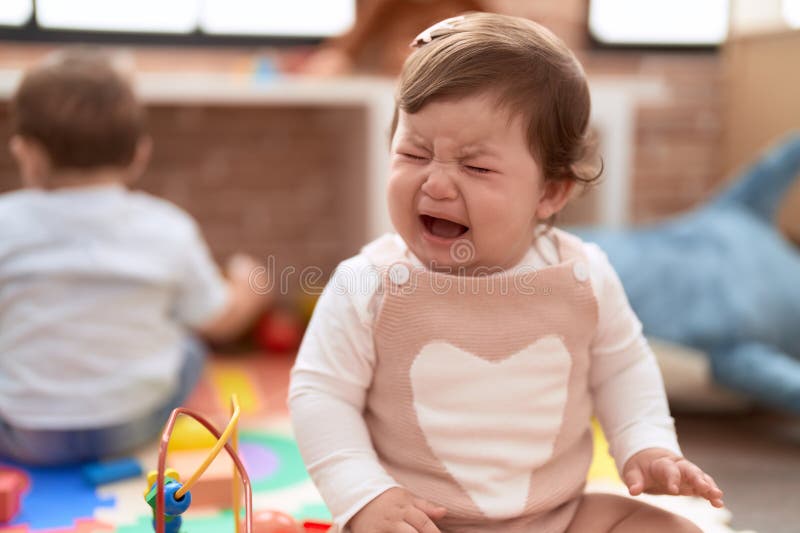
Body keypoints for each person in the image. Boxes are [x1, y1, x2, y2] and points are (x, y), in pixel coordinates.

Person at [288, 13, 723, 533]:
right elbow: (320, 394)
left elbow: (624, 369)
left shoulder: (582, 277)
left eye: (476, 167)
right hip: (417, 522)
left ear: (550, 192)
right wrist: (364, 497)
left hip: (558, 517)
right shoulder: (369, 285)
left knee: (671, 529)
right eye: (414, 153)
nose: (436, 184)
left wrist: (647, 444)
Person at [0, 49, 267, 465]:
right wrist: (250, 285)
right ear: (139, 155)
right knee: (190, 348)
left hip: (23, 435)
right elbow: (219, 320)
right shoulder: (168, 227)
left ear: (26, 154)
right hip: (131, 426)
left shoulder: (6, 221)